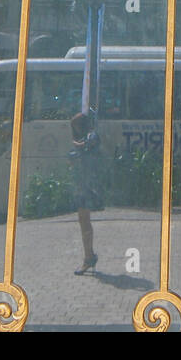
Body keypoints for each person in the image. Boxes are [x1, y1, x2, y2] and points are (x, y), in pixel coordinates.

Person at [69, 110, 105, 275]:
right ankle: (88, 255)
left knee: (84, 221)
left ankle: (88, 257)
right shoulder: (84, 137)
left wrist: (76, 145)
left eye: (76, 125)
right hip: (82, 184)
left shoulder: (91, 136)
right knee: (83, 221)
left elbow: (87, 147)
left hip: (89, 185)